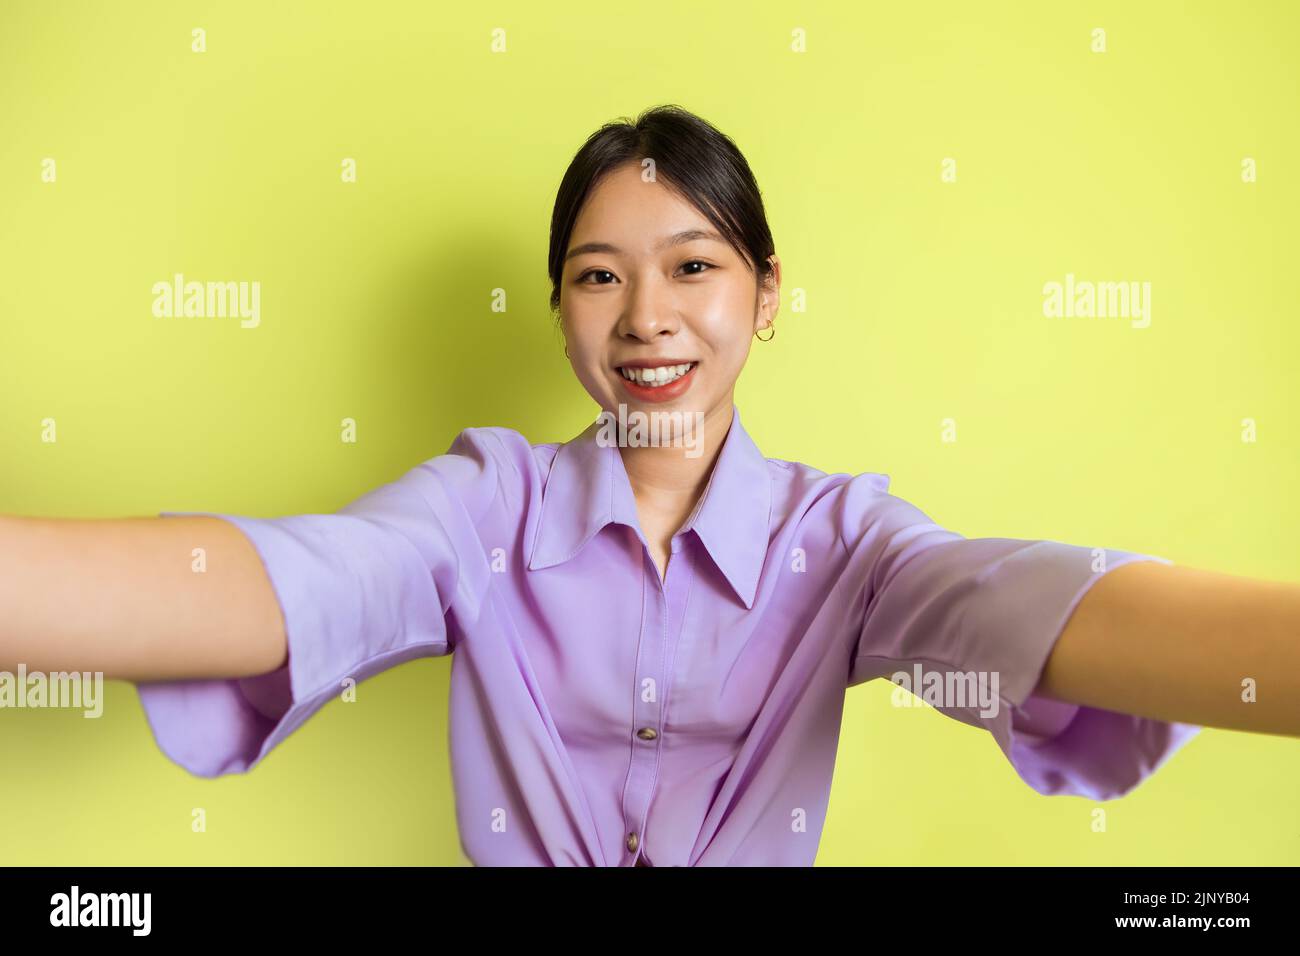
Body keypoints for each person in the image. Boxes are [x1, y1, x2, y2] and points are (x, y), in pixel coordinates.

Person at [4, 105, 1297, 867]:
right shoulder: (482, 505)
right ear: (563, 305)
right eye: (598, 274)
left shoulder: (842, 539)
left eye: (694, 268)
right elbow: (288, 582)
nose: (646, 320)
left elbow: (1024, 609)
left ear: (768, 294)